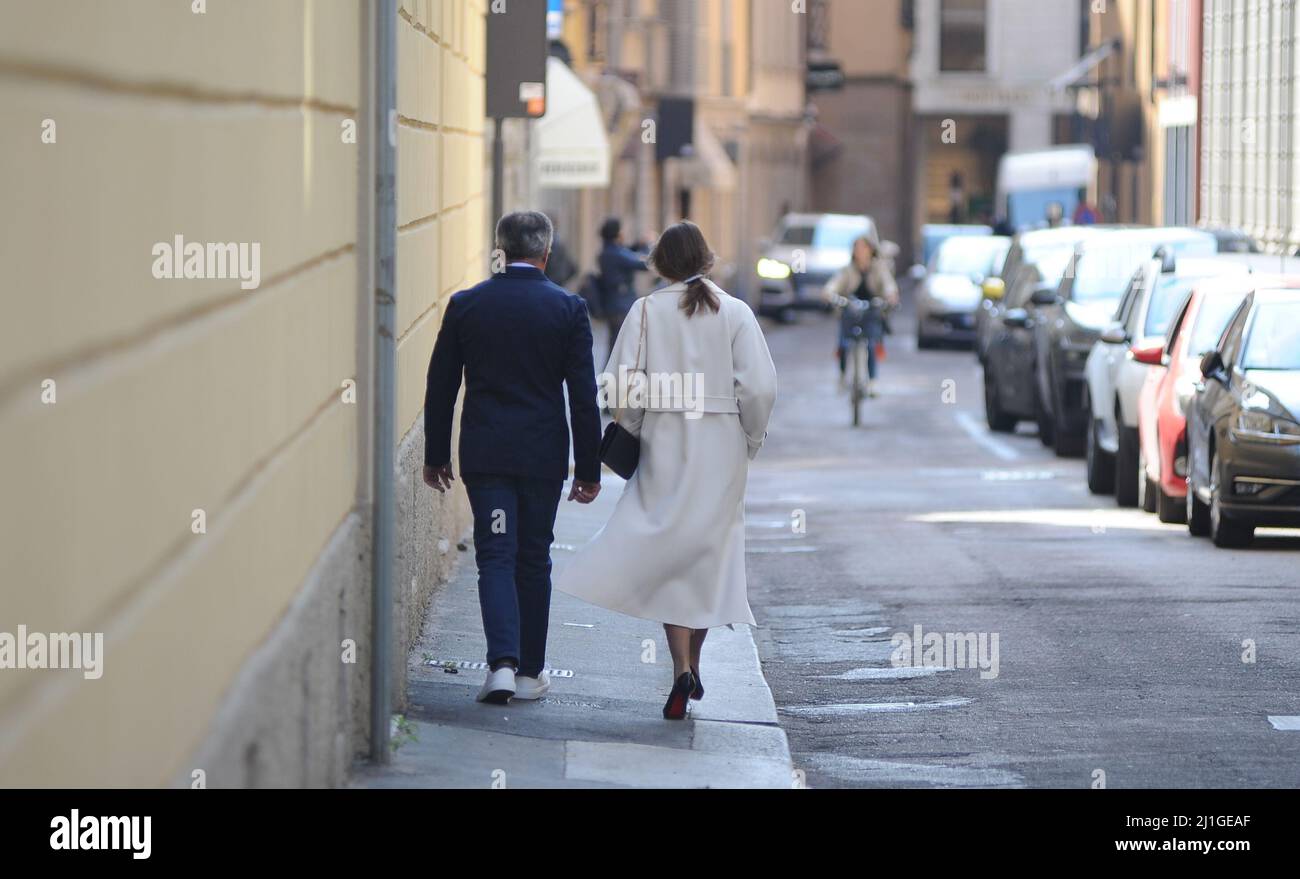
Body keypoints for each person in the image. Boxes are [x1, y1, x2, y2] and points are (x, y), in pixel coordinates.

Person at [556, 221, 778, 720]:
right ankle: (691, 665)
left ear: (659, 262)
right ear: (706, 259)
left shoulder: (646, 311)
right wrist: (751, 436)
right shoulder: (736, 313)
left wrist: (634, 426)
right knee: (705, 555)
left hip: (665, 440)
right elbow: (760, 388)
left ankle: (681, 666)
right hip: (721, 445)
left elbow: (616, 384)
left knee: (667, 549)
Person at [423, 211, 603, 705]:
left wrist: (436, 454)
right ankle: (529, 673)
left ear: (497, 250)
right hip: (542, 457)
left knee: (495, 555)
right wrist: (588, 468)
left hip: (487, 456)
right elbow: (583, 397)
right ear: (546, 253)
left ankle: (499, 666)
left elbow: (441, 386)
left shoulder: (467, 305)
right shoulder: (568, 309)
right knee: (532, 559)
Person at [821, 230, 899, 397]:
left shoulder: (879, 269)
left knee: (871, 343)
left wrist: (890, 296)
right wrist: (829, 294)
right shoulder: (847, 270)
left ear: (871, 250)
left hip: (871, 309)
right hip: (850, 309)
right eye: (857, 248)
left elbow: (888, 285)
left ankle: (872, 381)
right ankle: (842, 377)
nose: (860, 252)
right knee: (843, 343)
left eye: (864, 248)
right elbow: (834, 284)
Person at [596, 217, 649, 361]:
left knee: (615, 344)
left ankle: (609, 377)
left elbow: (627, 252)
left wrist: (638, 245)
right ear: (617, 233)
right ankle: (613, 377)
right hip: (622, 305)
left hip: (612, 304)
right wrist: (646, 246)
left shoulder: (607, 252)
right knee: (622, 345)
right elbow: (643, 264)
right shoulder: (616, 253)